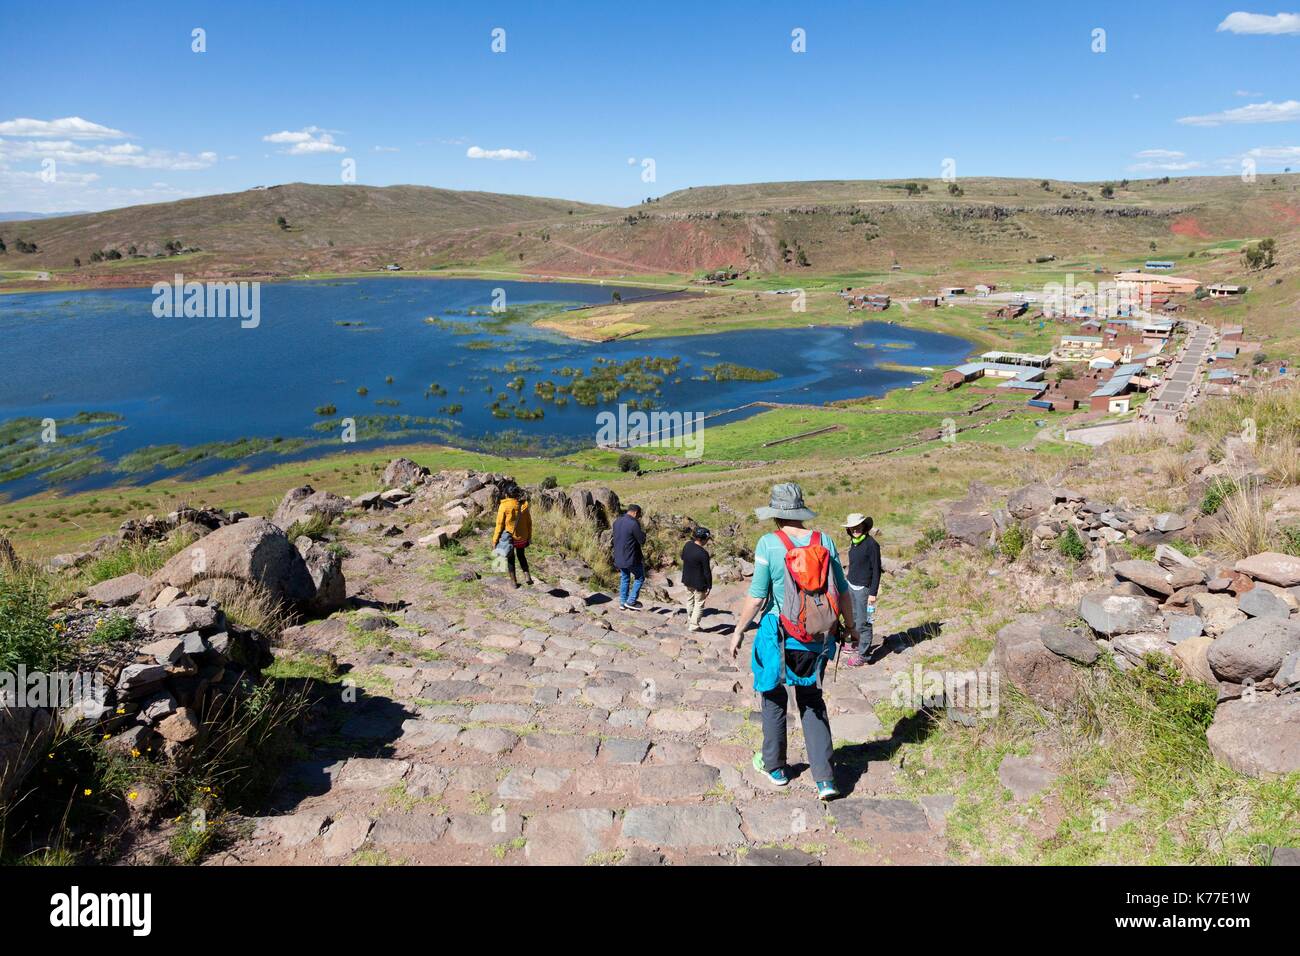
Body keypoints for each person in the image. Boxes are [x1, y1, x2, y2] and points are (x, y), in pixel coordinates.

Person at [730, 483, 854, 801]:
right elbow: (842, 590)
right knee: (811, 700)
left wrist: (739, 630)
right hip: (817, 637)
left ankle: (775, 767)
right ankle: (825, 779)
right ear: (801, 511)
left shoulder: (768, 544)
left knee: (773, 697)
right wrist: (851, 626)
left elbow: (758, 596)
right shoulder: (824, 541)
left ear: (775, 514)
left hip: (778, 634)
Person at [841, 513, 882, 667]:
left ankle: (864, 655)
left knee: (864, 622)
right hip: (851, 586)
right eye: (852, 527)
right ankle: (857, 644)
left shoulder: (872, 544)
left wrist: (873, 593)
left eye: (858, 526)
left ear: (864, 526)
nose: (855, 530)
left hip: (864, 590)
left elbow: (877, 571)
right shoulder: (854, 542)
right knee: (852, 618)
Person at [492, 481, 533, 588]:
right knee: (521, 555)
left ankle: (514, 582)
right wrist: (529, 537)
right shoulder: (524, 505)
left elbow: (499, 525)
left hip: (510, 538)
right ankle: (527, 575)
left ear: (506, 494)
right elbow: (529, 523)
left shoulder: (504, 506)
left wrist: (495, 540)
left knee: (511, 559)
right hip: (522, 538)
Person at [612, 504, 646, 610]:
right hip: (631, 557)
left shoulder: (616, 521)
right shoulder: (633, 523)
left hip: (618, 556)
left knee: (625, 578)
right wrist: (643, 534)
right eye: (639, 515)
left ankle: (623, 603)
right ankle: (631, 601)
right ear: (635, 513)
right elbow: (641, 540)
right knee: (640, 577)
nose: (639, 517)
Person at [679, 526, 713, 632]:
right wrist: (709, 585)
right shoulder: (703, 554)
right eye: (707, 539)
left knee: (689, 600)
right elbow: (707, 572)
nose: (707, 541)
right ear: (703, 539)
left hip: (687, 579)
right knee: (699, 603)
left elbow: (682, 557)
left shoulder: (688, 545)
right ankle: (694, 626)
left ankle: (690, 619)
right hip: (699, 583)